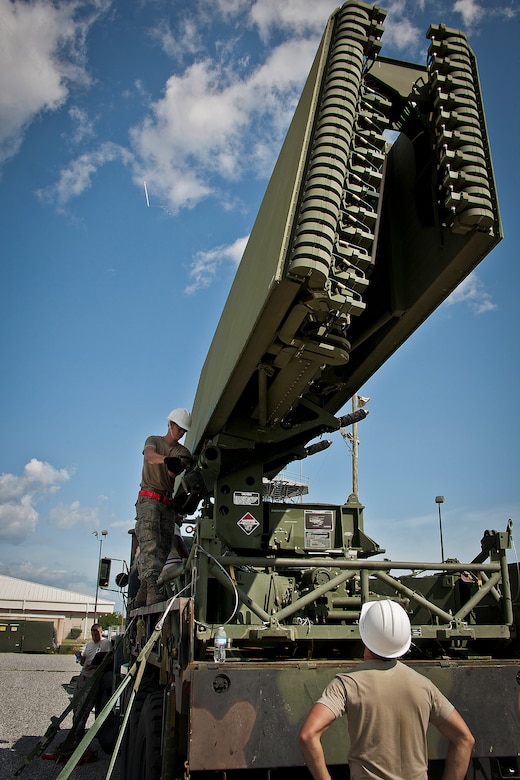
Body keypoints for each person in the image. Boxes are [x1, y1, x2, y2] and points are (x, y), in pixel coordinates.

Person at [299, 599, 475, 780]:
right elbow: (464, 739)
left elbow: (308, 735)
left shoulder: (347, 684)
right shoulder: (424, 685)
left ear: (364, 634)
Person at [134, 407, 192, 606]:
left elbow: (172, 474)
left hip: (166, 503)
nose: (181, 432)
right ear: (170, 424)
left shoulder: (183, 452)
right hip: (148, 499)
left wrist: (173, 465)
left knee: (163, 548)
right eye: (179, 428)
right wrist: (166, 459)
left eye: (184, 430)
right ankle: (151, 588)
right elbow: (149, 455)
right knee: (149, 544)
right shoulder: (154, 441)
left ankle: (144, 590)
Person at [73, 623, 113, 736]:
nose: (94, 637)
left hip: (93, 678)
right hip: (83, 676)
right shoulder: (90, 644)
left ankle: (78, 734)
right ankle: (75, 730)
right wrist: (80, 657)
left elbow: (109, 661)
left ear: (101, 632)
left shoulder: (105, 644)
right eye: (93, 634)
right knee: (76, 705)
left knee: (84, 707)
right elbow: (83, 662)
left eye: (96, 634)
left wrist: (94, 667)